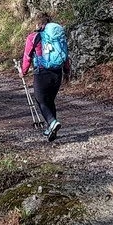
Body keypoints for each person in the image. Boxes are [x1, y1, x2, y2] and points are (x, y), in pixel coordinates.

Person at [20, 12, 70, 141]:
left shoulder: (33, 37)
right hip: (57, 72)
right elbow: (65, 53)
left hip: (42, 73)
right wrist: (67, 71)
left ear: (37, 23)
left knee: (41, 100)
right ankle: (51, 129)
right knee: (50, 101)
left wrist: (23, 71)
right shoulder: (57, 37)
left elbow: (27, 56)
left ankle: (53, 123)